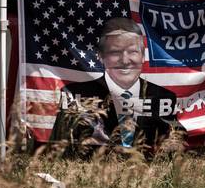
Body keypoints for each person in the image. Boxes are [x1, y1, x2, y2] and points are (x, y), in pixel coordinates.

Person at [51, 16, 177, 153]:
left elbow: (173, 148)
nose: (125, 60)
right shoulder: (74, 95)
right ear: (100, 56)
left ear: (143, 56)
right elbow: (60, 149)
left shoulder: (164, 96)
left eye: (133, 51)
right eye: (115, 52)